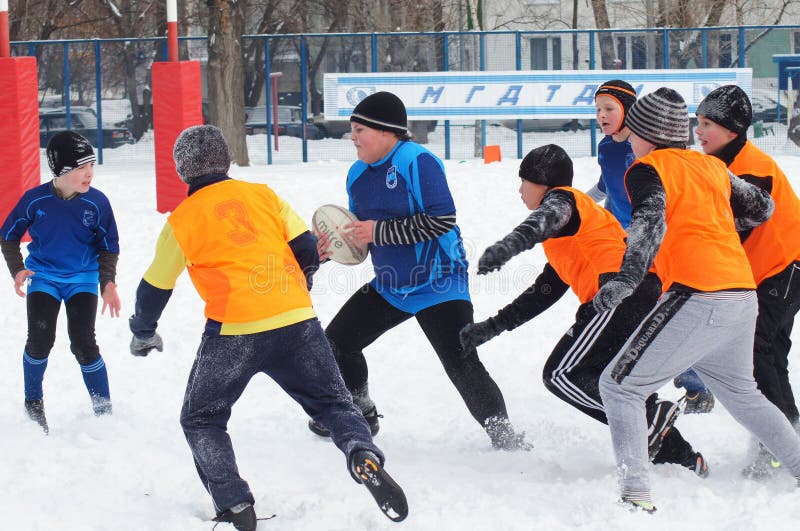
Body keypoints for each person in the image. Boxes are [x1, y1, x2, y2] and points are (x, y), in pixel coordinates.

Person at [128, 125, 407, 529]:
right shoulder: (263, 195)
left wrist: (143, 329)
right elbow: (306, 249)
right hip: (296, 319)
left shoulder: (182, 220)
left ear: (182, 171)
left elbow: (155, 286)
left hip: (234, 330)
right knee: (334, 403)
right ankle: (362, 452)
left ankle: (235, 504)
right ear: (226, 159)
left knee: (202, 418)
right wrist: (303, 277)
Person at [594, 87, 800, 512]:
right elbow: (762, 208)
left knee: (618, 387)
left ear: (646, 134)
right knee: (744, 395)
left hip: (699, 292)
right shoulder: (710, 167)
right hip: (742, 295)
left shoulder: (646, 168)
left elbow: (648, 221)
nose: (629, 138)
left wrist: (627, 278)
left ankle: (635, 496)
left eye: (634, 129)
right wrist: (714, 220)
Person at [461, 144, 707, 477]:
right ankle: (684, 458)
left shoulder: (565, 202)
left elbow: (545, 218)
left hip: (619, 295)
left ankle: (649, 419)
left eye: (525, 182)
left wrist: (509, 246)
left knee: (562, 375)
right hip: (635, 294)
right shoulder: (568, 234)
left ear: (545, 184)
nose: (520, 190)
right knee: (608, 382)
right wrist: (493, 326)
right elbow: (543, 293)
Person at [306, 91, 528, 450]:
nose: (353, 137)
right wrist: (330, 249)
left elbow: (442, 220)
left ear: (386, 131)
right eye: (352, 129)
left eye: (359, 129)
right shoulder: (357, 175)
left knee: (461, 362)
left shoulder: (417, 161)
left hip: (440, 281)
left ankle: (505, 436)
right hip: (393, 284)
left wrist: (377, 231)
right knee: (337, 343)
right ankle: (362, 412)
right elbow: (358, 238)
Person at [590, 80, 714, 414]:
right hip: (625, 245)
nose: (601, 115)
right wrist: (581, 207)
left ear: (629, 110)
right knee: (634, 313)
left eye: (609, 108)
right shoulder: (605, 147)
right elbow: (607, 185)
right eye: (598, 109)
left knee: (665, 313)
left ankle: (696, 386)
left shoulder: (647, 148)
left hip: (659, 244)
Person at [696, 84, 800, 475]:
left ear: (733, 129)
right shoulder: (722, 164)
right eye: (697, 122)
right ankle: (783, 439)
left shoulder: (752, 169)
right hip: (771, 271)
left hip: (785, 268)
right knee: (769, 356)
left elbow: (729, 232)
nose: (699, 131)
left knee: (757, 354)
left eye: (708, 124)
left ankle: (780, 445)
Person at [0, 131, 120, 434]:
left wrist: (107, 283)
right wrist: (17, 269)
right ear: (61, 171)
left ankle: (104, 412)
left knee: (84, 343)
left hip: (81, 279)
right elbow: (8, 235)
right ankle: (33, 404)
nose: (89, 173)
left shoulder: (97, 203)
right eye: (80, 167)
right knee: (40, 341)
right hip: (44, 278)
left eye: (91, 165)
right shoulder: (34, 200)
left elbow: (108, 247)